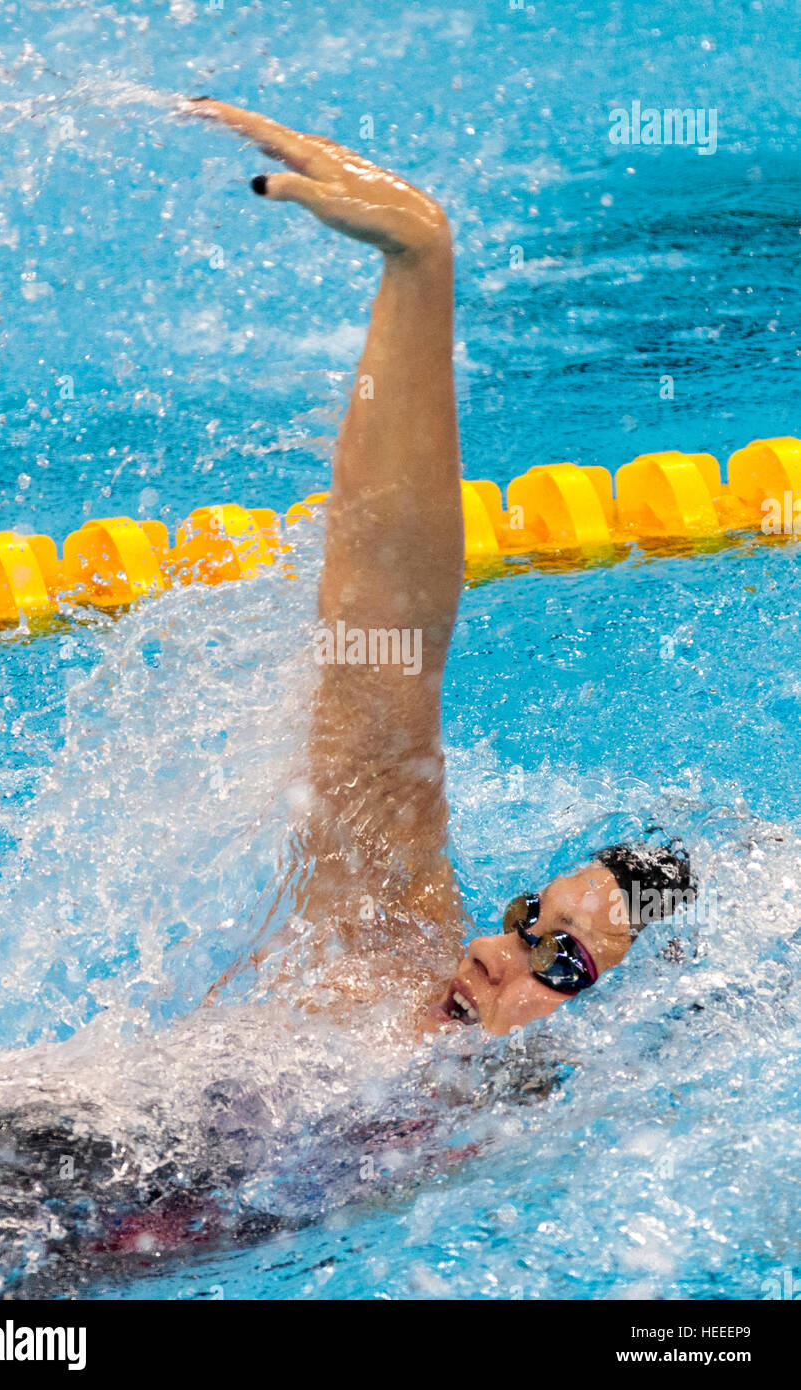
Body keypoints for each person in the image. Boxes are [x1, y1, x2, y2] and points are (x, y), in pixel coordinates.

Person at [182, 99, 697, 1037]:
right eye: (529, 920)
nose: (493, 954)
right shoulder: (389, 963)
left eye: (564, 962)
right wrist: (421, 262)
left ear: (634, 1025)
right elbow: (380, 665)